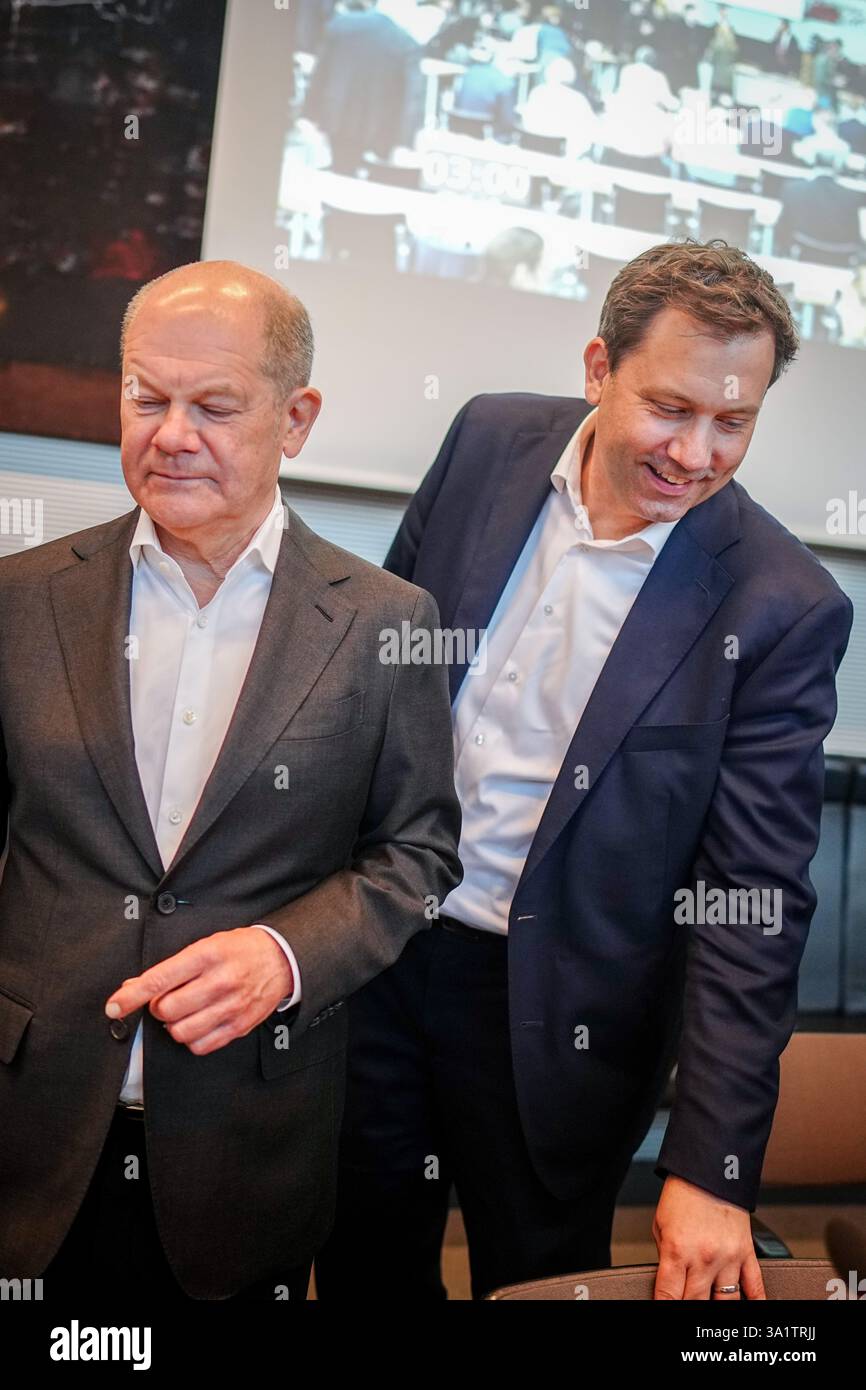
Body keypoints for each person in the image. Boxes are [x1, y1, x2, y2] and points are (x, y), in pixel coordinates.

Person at [315, 239, 853, 1301]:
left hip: (559, 1016)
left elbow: (750, 907)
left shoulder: (780, 606)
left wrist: (711, 1167)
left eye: (732, 422)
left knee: (536, 1283)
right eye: (669, 408)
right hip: (382, 949)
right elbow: (378, 676)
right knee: (363, 1254)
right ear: (597, 366)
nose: (695, 452)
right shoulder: (486, 440)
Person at [0, 260, 462, 1300]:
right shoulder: (20, 598)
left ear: (294, 419)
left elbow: (419, 858)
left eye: (211, 406)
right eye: (145, 398)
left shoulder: (385, 622)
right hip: (26, 1132)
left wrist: (285, 954)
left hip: (245, 1143)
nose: (169, 435)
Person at [519, 57, 597, 158]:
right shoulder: (578, 99)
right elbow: (592, 129)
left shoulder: (537, 92)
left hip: (529, 154)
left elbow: (527, 122)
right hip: (560, 159)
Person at [703, 5, 738, 101]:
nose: (724, 14)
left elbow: (734, 54)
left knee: (725, 100)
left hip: (725, 78)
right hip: (717, 76)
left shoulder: (731, 34)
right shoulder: (714, 32)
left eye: (725, 11)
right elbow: (709, 56)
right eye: (722, 11)